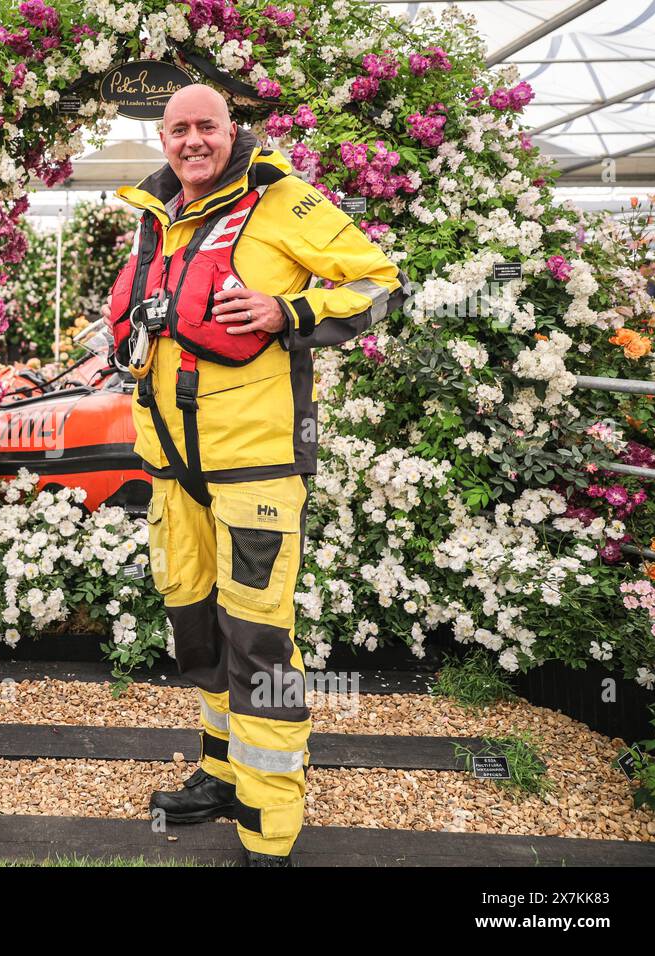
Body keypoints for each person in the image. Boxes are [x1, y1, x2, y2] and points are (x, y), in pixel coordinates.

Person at [103, 85, 404, 866]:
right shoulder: (155, 217)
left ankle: (270, 822)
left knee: (261, 642)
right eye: (178, 130)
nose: (192, 140)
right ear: (163, 138)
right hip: (174, 472)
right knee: (196, 630)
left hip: (256, 468)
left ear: (232, 129)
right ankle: (222, 773)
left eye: (207, 126)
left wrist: (287, 313)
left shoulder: (282, 201)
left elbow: (377, 283)